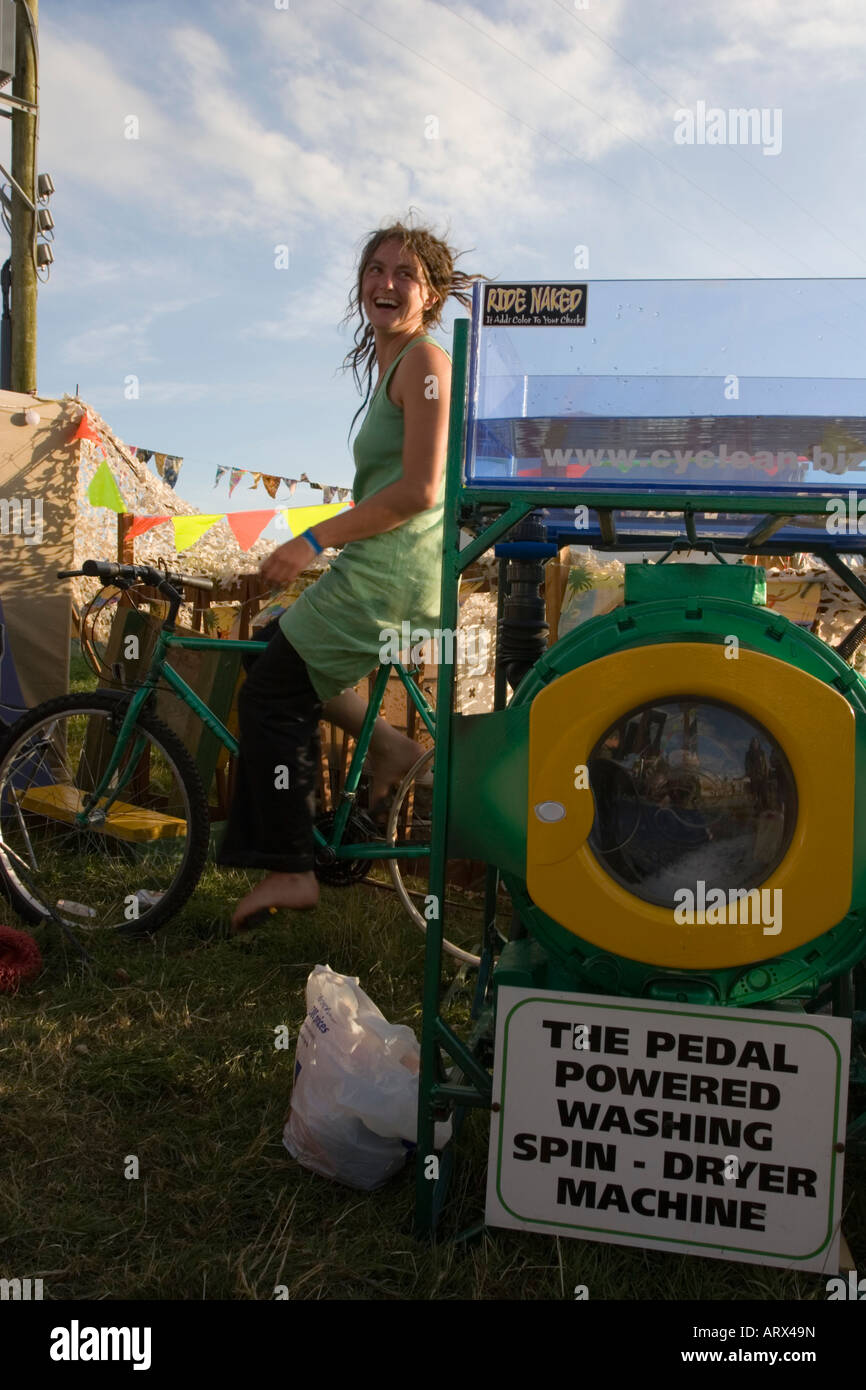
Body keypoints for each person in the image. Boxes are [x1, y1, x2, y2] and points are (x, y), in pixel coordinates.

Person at [216, 218, 485, 931]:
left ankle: (290, 869)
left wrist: (312, 539)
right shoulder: (393, 365)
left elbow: (422, 489)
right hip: (388, 566)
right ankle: (393, 750)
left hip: (398, 571)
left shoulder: (426, 363)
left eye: (406, 274)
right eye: (375, 269)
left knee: (272, 689)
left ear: (430, 296)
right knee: (281, 648)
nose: (387, 283)